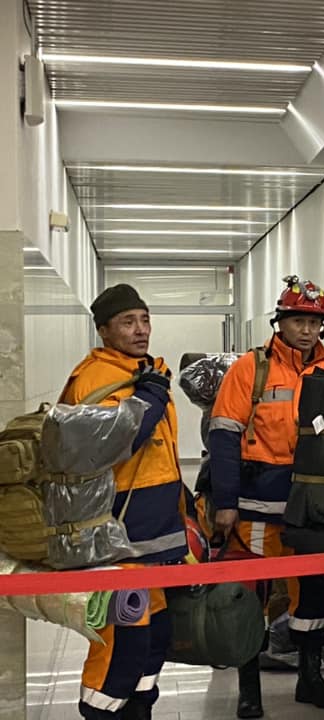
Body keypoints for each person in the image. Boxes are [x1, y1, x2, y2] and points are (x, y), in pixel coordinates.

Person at [208, 275, 324, 718]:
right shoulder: (250, 369)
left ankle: (310, 676)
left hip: (313, 508)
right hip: (257, 509)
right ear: (280, 322)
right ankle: (249, 690)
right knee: (253, 598)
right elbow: (223, 436)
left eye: (314, 322)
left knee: (314, 593)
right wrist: (225, 502)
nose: (306, 330)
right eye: (298, 320)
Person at [61, 284, 187, 720]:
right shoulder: (97, 378)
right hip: (116, 539)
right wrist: (149, 397)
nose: (141, 330)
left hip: (151, 538)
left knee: (153, 638)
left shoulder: (144, 372)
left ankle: (139, 709)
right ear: (103, 330)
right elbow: (114, 444)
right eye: (128, 322)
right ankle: (100, 711)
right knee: (121, 644)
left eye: (145, 320)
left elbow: (160, 453)